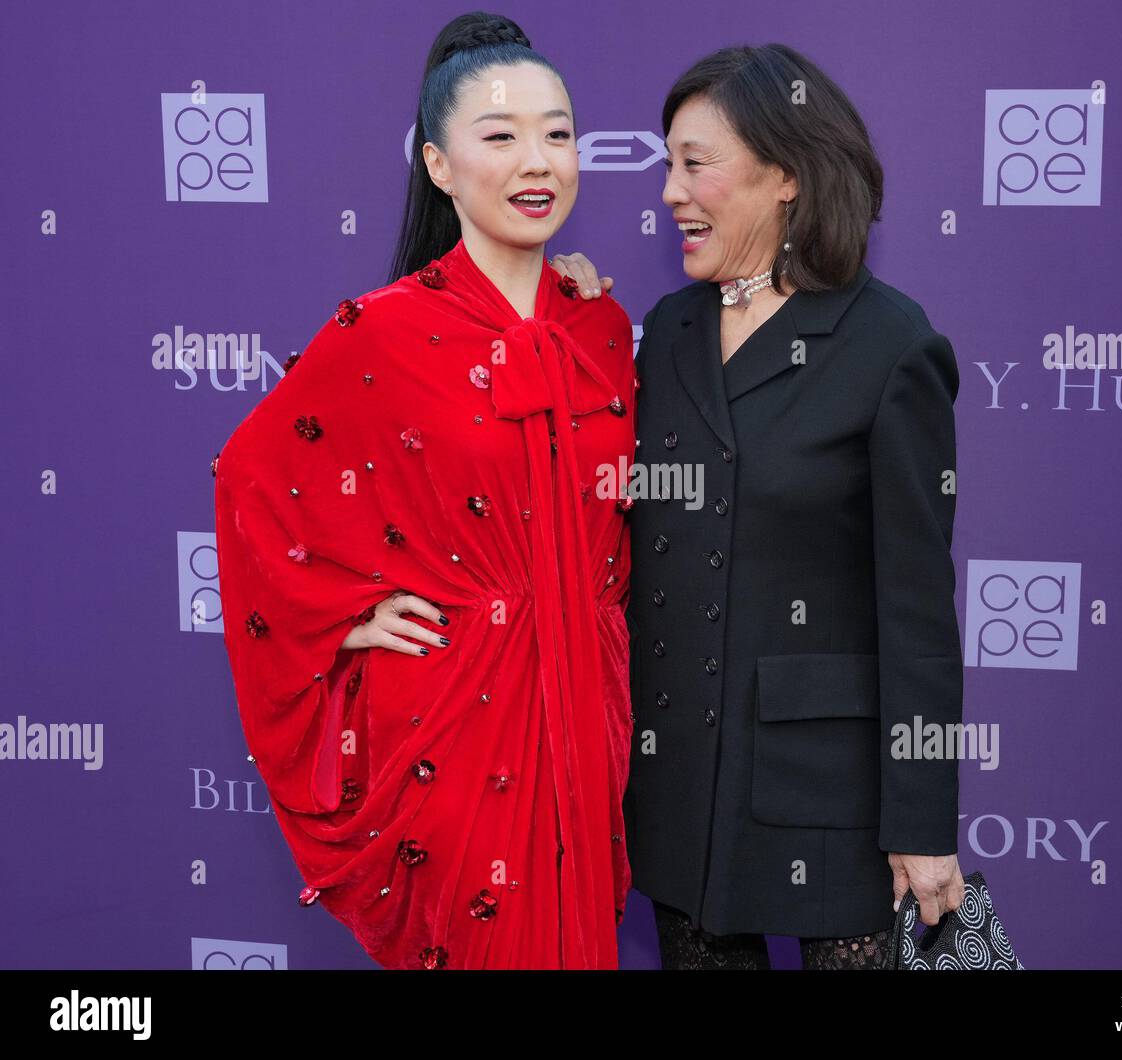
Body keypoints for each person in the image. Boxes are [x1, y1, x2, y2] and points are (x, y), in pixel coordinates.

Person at [213, 13, 636, 970]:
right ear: (440, 166)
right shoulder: (385, 331)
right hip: (455, 724)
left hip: (587, 716)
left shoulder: (603, 323)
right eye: (501, 136)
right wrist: (342, 617)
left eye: (559, 134)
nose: (538, 161)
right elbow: (252, 481)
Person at [552, 43, 966, 970]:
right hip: (679, 788)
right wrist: (563, 317)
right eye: (667, 164)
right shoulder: (666, 330)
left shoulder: (890, 343)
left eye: (695, 163)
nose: (669, 191)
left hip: (831, 800)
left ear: (785, 174)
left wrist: (923, 822)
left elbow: (918, 614)